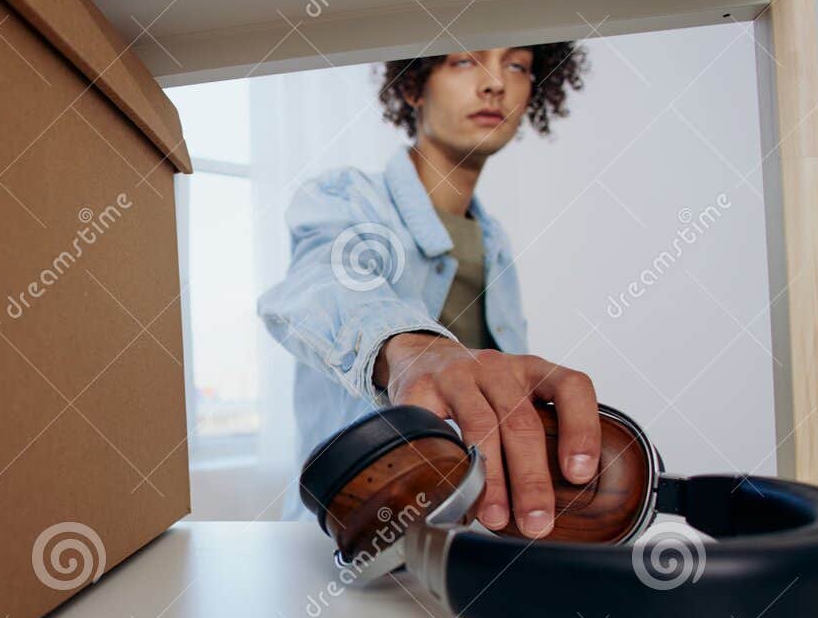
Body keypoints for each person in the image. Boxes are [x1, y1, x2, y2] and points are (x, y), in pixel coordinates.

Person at [257, 45, 601, 537]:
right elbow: (319, 283)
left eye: (517, 65)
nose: (495, 83)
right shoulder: (347, 198)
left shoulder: (495, 242)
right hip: (349, 544)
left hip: (468, 546)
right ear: (413, 86)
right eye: (464, 61)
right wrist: (413, 349)